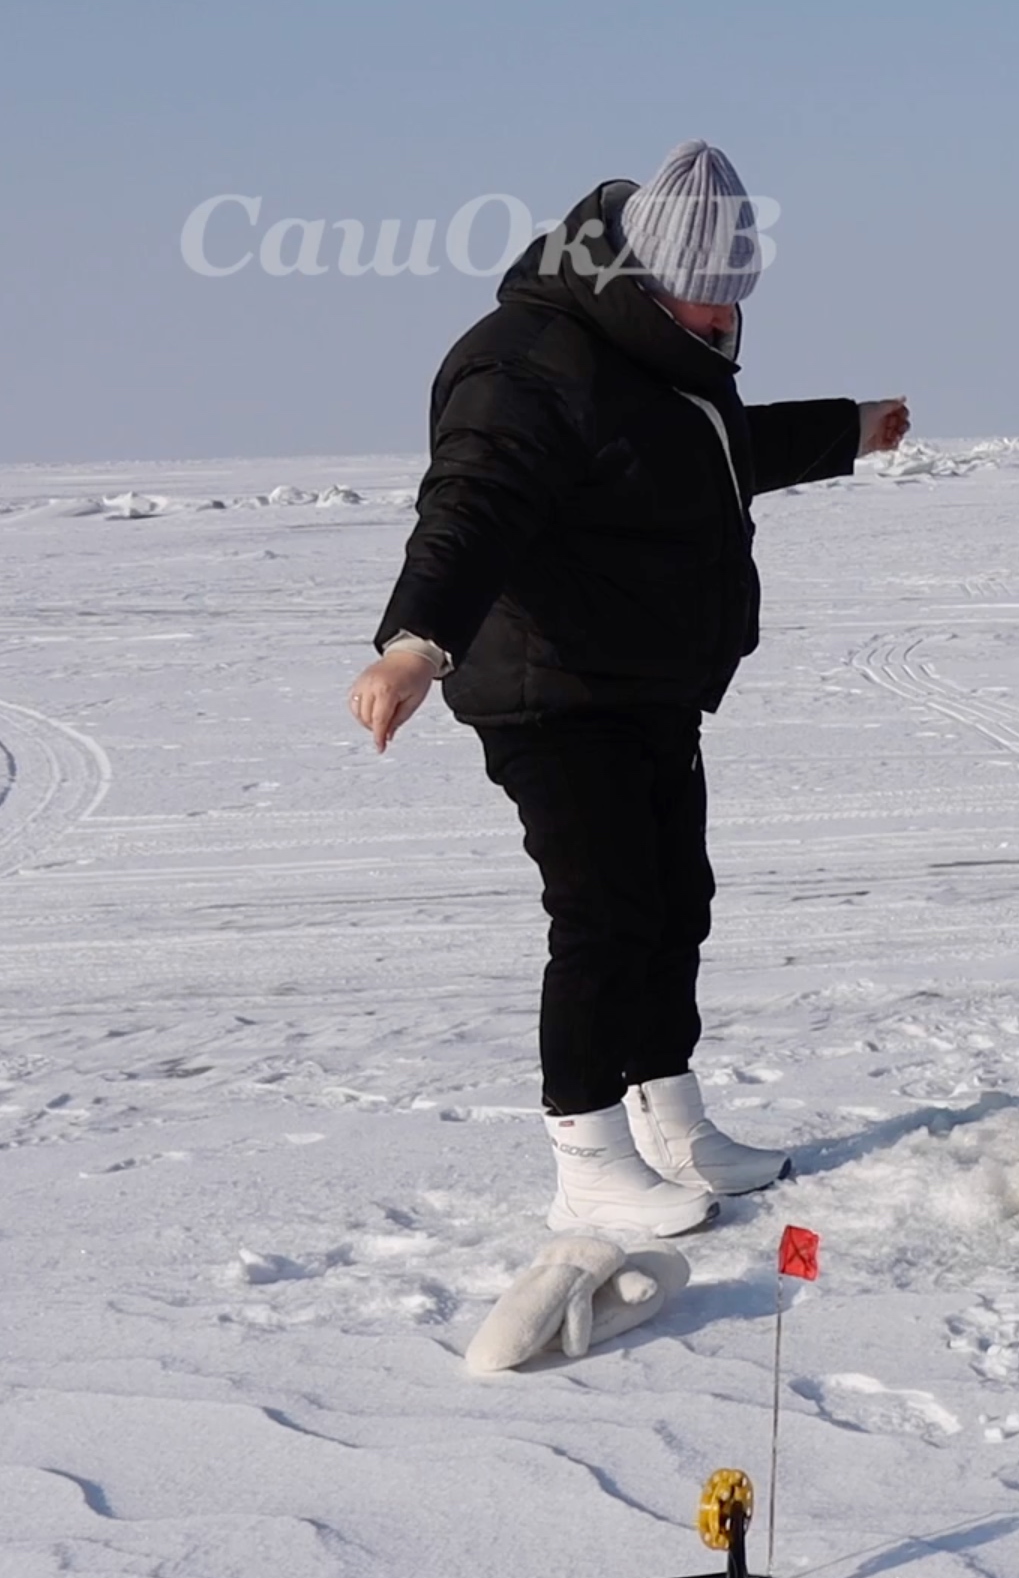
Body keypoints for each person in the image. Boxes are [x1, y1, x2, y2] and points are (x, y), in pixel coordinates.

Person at [347, 141, 911, 1236]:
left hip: (646, 684)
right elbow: (474, 504)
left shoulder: (644, 356)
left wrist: (845, 427)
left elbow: (703, 451)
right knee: (603, 916)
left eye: (731, 307)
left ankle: (671, 1118)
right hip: (550, 691)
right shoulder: (522, 366)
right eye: (705, 309)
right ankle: (589, 1152)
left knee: (672, 904)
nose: (724, 328)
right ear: (641, 283)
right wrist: (417, 641)